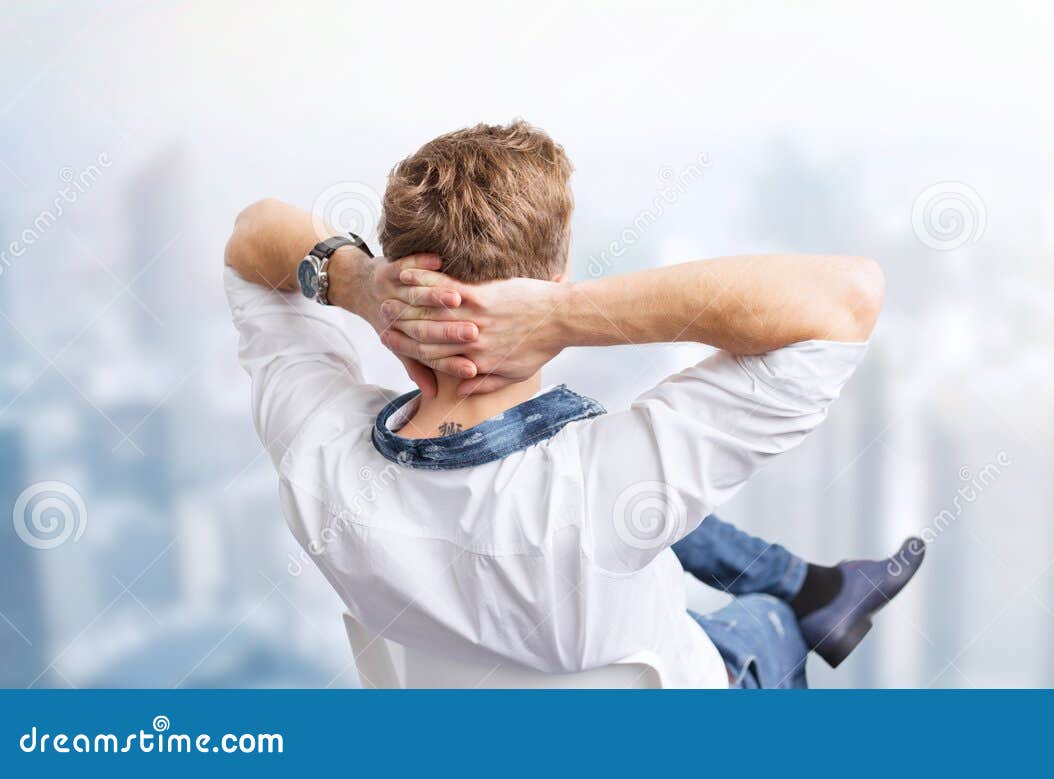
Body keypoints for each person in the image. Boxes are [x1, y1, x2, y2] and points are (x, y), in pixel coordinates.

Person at [222, 120, 923, 687]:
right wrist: (562, 316)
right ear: (553, 278)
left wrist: (355, 279)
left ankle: (809, 584)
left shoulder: (316, 451)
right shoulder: (600, 479)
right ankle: (802, 592)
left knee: (631, 498)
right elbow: (849, 295)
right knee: (767, 621)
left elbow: (250, 238)